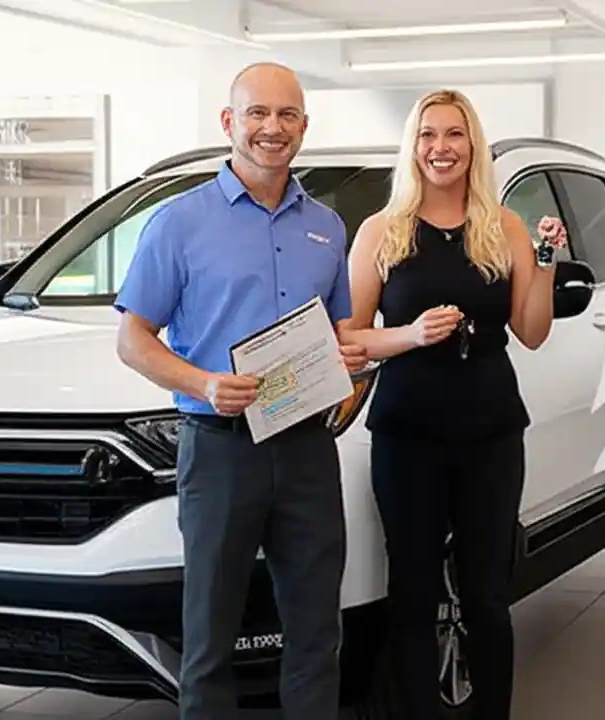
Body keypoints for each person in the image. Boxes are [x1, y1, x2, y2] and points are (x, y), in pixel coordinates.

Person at [113, 62, 368, 720]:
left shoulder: (328, 228)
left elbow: (340, 336)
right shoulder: (178, 223)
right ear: (230, 122)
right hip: (220, 450)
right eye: (257, 113)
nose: (271, 128)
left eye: (286, 116)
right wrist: (203, 383)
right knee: (209, 641)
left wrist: (380, 355)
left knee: (316, 633)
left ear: (303, 128)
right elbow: (132, 340)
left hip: (308, 449)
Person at [343, 89, 559, 719]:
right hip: (407, 435)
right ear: (412, 147)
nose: (441, 148)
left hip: (491, 434)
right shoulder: (382, 231)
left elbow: (533, 330)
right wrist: (410, 335)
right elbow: (349, 337)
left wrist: (544, 260)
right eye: (428, 135)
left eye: (455, 135)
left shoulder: (505, 226)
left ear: (474, 145)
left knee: (488, 597)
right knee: (410, 596)